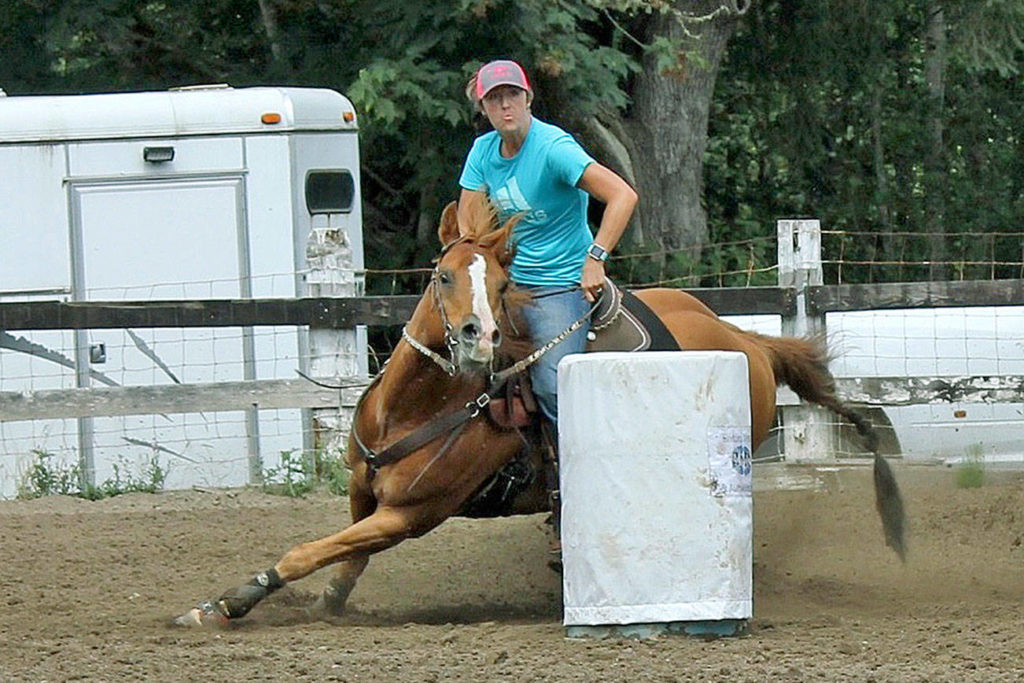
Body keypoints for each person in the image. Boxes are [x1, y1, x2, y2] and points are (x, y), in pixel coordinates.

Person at [457, 58, 638, 433]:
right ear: (483, 108)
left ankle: (576, 469)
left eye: (512, 95)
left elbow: (623, 195)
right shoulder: (482, 153)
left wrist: (596, 259)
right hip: (508, 286)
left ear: (528, 98)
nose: (505, 105)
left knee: (553, 384)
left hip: (560, 284)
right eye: (494, 99)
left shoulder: (554, 148)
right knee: (463, 368)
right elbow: (468, 226)